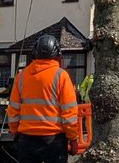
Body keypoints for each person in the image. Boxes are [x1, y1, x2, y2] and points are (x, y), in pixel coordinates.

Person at [8, 35, 79, 163]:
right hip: (53, 139)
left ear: (34, 53)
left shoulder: (22, 76)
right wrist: (73, 138)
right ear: (58, 54)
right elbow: (69, 112)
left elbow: (13, 108)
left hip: (27, 138)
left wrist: (14, 131)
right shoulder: (61, 76)